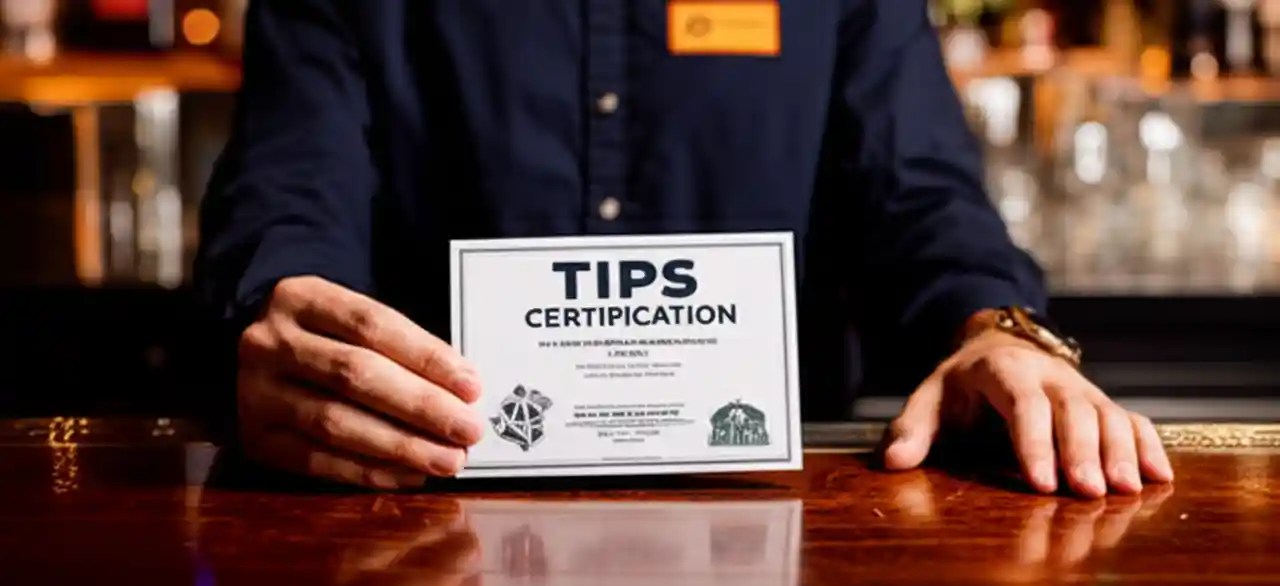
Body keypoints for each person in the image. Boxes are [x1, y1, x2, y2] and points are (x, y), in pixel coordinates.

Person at [197, 0, 1173, 497]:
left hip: (781, 537)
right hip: (417, 514)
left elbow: (918, 194)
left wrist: (993, 329)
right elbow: (290, 194)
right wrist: (277, 313)